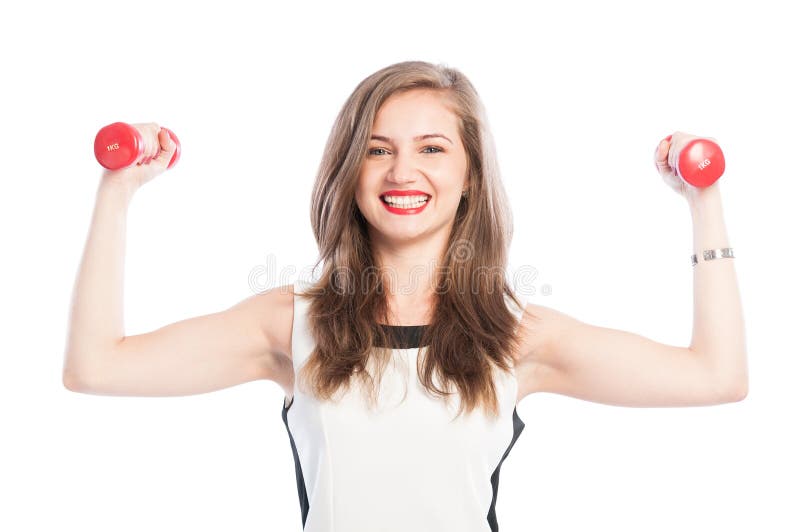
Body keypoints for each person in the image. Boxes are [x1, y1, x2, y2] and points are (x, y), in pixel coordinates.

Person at [63, 60, 748, 532]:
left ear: (470, 174)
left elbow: (717, 378)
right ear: (350, 168)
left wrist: (704, 201)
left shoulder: (517, 337)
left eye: (432, 149)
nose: (402, 172)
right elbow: (96, 367)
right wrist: (118, 190)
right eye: (377, 149)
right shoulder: (289, 324)